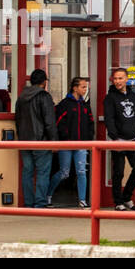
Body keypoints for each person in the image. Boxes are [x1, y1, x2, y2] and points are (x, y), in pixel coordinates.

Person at [104, 67, 135, 210]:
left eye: (120, 78)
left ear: (127, 79)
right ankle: (118, 202)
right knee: (119, 172)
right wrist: (114, 137)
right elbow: (109, 119)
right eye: (115, 78)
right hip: (118, 140)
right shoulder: (110, 98)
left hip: (133, 139)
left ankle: (127, 197)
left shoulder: (134, 96)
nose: (117, 81)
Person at [14, 68, 57, 208]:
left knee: (27, 172)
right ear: (44, 82)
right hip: (41, 141)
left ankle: (28, 202)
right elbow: (50, 122)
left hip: (25, 140)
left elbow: (17, 120)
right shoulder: (44, 96)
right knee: (43, 173)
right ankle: (40, 203)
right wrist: (54, 142)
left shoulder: (21, 97)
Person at [49, 76, 94, 207]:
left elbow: (91, 123)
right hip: (67, 144)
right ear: (75, 88)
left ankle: (82, 200)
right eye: (83, 87)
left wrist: (89, 139)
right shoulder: (64, 104)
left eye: (86, 87)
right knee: (64, 172)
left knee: (81, 172)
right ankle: (49, 194)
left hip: (82, 144)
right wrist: (65, 138)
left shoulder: (85, 106)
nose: (85, 90)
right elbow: (59, 124)